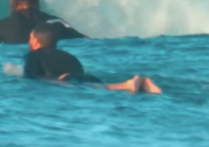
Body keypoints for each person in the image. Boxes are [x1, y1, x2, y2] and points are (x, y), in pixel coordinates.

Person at [23, 23, 161, 94]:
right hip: (87, 77)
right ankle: (138, 84)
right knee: (102, 87)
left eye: (30, 39)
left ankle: (129, 84)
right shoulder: (69, 56)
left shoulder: (34, 55)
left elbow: (30, 76)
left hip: (71, 81)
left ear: (35, 41)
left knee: (106, 88)